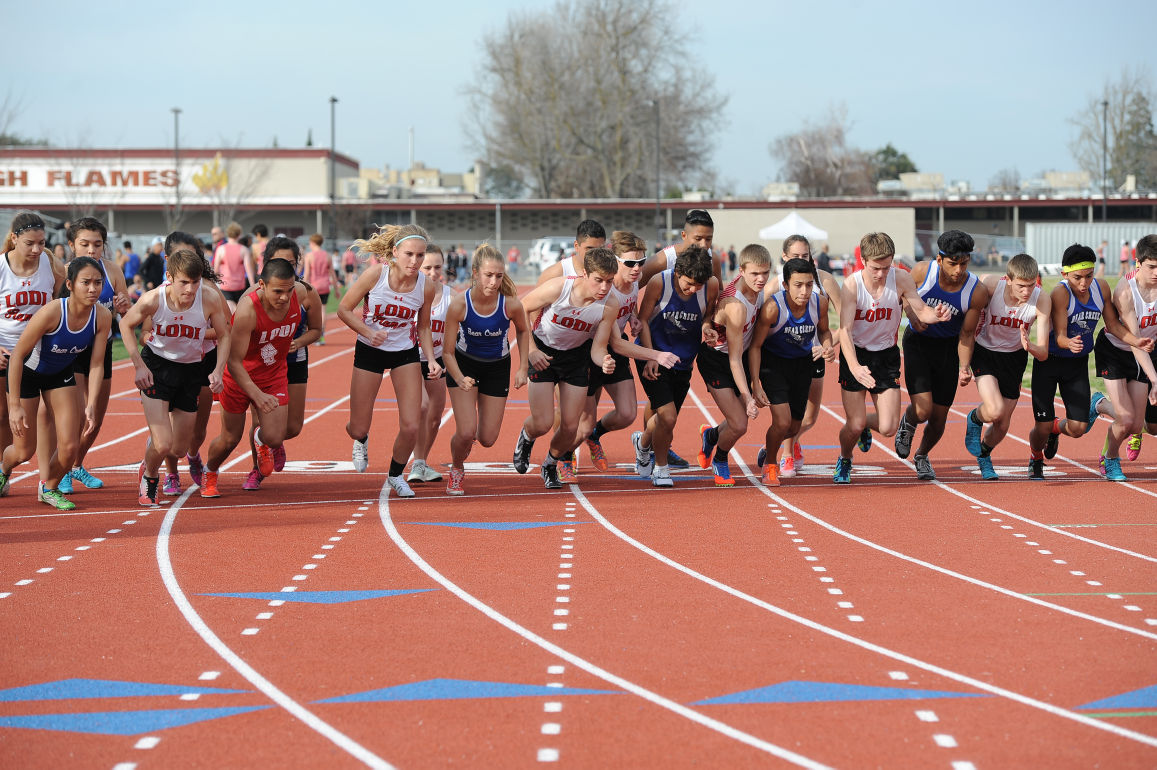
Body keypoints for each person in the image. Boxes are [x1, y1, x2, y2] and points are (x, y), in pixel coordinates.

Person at [515, 247, 678, 489]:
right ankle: (526, 438)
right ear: (584, 275)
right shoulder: (559, 288)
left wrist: (605, 360)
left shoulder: (609, 304)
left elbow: (600, 348)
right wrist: (530, 352)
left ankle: (550, 463)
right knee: (543, 422)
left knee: (572, 427)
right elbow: (521, 309)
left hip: (576, 358)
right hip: (543, 352)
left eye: (609, 281)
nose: (604, 288)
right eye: (598, 281)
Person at [1028, 243, 1152, 480]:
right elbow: (1061, 334)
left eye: (1089, 276)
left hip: (1077, 364)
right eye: (1077, 278)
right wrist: (1068, 343)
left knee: (1078, 429)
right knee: (1040, 427)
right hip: (1050, 362)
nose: (1084, 283)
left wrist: (1136, 342)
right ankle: (1035, 456)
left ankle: (1056, 428)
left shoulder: (1101, 287)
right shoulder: (1061, 293)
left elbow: (1113, 325)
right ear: (1065, 274)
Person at [834, 232, 950, 484]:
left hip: (886, 355)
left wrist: (937, 314)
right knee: (852, 426)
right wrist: (854, 367)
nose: (881, 274)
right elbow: (844, 331)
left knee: (888, 428)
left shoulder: (901, 279)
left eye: (886, 267)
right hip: (857, 353)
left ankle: (865, 425)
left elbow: (921, 312)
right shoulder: (852, 286)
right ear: (864, 260)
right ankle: (845, 457)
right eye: (876, 268)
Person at [118, 250, 232, 505]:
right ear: (169, 277)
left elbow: (225, 335)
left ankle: (153, 449)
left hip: (191, 371)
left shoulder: (209, 298)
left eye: (195, 281)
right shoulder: (152, 299)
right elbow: (125, 325)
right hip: (157, 368)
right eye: (183, 282)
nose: (190, 289)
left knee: (179, 449)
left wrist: (218, 369)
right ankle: (149, 477)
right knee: (163, 444)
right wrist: (138, 365)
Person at [338, 224, 440, 498]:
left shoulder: (425, 286)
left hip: (404, 352)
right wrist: (368, 332)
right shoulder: (376, 275)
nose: (415, 261)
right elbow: (344, 310)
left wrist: (430, 359)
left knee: (412, 422)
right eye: (409, 254)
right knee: (358, 425)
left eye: (420, 256)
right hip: (370, 350)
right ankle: (361, 438)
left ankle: (396, 474)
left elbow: (423, 327)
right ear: (394, 252)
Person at [0, 257, 111, 510]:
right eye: (86, 283)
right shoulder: (52, 311)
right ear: (70, 284)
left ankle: (48, 488)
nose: (93, 289)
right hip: (28, 374)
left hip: (60, 375)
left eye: (98, 283)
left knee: (70, 446)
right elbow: (17, 355)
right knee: (23, 452)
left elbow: (96, 364)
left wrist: (91, 402)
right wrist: (14, 405)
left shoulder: (102, 317)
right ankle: (4, 468)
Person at [199, 258, 309, 498]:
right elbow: (234, 360)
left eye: (289, 290)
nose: (284, 297)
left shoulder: (299, 293)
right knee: (230, 438)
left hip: (273, 374)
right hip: (239, 377)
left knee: (275, 436)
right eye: (278, 291)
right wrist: (256, 394)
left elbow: (315, 311)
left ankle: (261, 441)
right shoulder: (249, 310)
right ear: (262, 285)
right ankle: (210, 471)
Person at [893, 230, 989, 480]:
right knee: (923, 409)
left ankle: (922, 456)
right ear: (940, 259)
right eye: (953, 263)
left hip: (948, 349)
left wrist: (964, 367)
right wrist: (914, 317)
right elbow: (904, 299)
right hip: (918, 343)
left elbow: (967, 334)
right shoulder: (923, 272)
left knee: (938, 418)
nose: (958, 270)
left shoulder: (975, 290)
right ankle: (909, 421)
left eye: (964, 263)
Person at [441, 244, 530, 494]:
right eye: (489, 275)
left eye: (499, 276)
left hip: (497, 367)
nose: (494, 281)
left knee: (487, 439)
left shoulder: (510, 304)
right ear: (476, 273)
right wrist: (459, 378)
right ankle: (457, 467)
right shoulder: (460, 304)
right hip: (464, 364)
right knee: (466, 431)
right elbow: (447, 352)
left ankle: (467, 442)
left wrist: (523, 367)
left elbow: (523, 330)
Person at [238, 236, 324, 492]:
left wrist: (299, 342)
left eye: (291, 262)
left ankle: (275, 441)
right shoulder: (252, 296)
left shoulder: (307, 293)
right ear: (267, 264)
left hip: (293, 360)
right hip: (262, 366)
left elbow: (317, 329)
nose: (287, 267)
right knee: (260, 423)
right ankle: (256, 469)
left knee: (293, 426)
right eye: (280, 262)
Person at [58, 217, 133, 495]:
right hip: (70, 351)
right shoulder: (63, 272)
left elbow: (127, 316)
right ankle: (62, 469)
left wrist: (126, 306)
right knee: (77, 415)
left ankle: (77, 465)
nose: (91, 250)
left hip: (102, 349)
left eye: (97, 244)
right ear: (71, 245)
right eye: (84, 244)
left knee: (96, 418)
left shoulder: (112, 271)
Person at [632, 245, 718, 487]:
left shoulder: (709, 286)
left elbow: (707, 317)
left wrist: (706, 328)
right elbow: (644, 320)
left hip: (683, 361)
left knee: (663, 417)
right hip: (654, 354)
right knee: (668, 417)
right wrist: (651, 356)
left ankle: (642, 443)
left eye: (698, 286)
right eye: (688, 284)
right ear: (678, 272)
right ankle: (661, 468)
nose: (693, 290)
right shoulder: (660, 283)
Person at [963, 254, 1052, 480]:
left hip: (1014, 358)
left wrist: (1029, 345)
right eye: (1021, 286)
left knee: (1002, 425)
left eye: (1031, 285)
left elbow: (1043, 354)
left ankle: (984, 455)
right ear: (1008, 279)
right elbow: (969, 304)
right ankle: (974, 418)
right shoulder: (992, 284)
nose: (1027, 291)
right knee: (994, 410)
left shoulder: (1041, 300)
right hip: (985, 352)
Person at [749, 257, 836, 486]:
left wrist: (827, 347)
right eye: (798, 285)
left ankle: (771, 445)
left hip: (802, 365)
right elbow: (756, 346)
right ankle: (770, 464)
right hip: (773, 364)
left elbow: (825, 331)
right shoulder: (773, 307)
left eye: (809, 284)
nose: (804, 291)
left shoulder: (820, 304)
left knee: (794, 426)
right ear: (786, 285)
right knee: (782, 421)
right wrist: (755, 382)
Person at [534, 219, 607, 481]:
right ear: (576, 246)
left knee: (585, 420)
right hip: (554, 349)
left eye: (600, 249)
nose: (595, 255)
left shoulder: (606, 276)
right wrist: (531, 349)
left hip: (588, 350)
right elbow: (529, 309)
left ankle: (580, 441)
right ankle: (562, 459)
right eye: (589, 249)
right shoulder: (556, 274)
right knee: (562, 413)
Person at [157, 232, 227, 494]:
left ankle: (194, 454)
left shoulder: (207, 288)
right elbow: (141, 328)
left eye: (194, 256)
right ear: (168, 261)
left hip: (203, 359)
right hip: (171, 362)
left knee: (197, 430)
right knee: (172, 426)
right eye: (180, 257)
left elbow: (225, 327)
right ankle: (171, 473)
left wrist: (195, 332)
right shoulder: (160, 292)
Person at [767, 235, 843, 478]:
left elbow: (844, 322)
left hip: (813, 355)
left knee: (808, 418)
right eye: (796, 256)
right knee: (786, 414)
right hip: (783, 357)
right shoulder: (775, 285)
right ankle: (786, 455)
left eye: (806, 255)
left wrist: (828, 346)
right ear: (785, 258)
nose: (802, 260)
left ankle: (787, 440)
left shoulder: (825, 280)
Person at [695, 244, 770, 486]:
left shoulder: (757, 289)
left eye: (765, 273)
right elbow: (734, 359)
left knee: (738, 422)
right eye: (755, 274)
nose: (761, 279)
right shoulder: (736, 306)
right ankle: (720, 458)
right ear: (741, 271)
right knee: (739, 423)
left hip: (741, 356)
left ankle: (711, 434)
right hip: (718, 360)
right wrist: (749, 395)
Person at [580, 231, 648, 472]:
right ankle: (563, 457)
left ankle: (595, 436)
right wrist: (656, 355)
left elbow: (630, 307)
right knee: (579, 421)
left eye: (641, 262)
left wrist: (634, 319)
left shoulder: (633, 282)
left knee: (628, 413)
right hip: (588, 351)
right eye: (630, 263)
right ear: (616, 261)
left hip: (615, 349)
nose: (637, 268)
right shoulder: (605, 290)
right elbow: (617, 342)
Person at [1092, 234, 1157, 480]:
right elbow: (1135, 339)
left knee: (1137, 424)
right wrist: (1155, 379)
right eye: (1152, 267)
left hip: (1144, 353)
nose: (1156, 272)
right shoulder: (1125, 291)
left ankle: (1098, 404)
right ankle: (1109, 458)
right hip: (1116, 351)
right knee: (1126, 419)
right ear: (1137, 263)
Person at [1, 212, 66, 458]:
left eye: (42, 242)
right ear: (14, 239)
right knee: (4, 415)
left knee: (48, 415)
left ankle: (48, 479)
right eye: (30, 243)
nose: (37, 249)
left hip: (42, 351)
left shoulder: (50, 264)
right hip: (6, 349)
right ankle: (3, 472)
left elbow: (67, 297)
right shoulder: (1, 268)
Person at [408, 244, 454, 484]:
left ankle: (421, 463)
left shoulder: (451, 297)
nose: (433, 272)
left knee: (435, 417)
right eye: (427, 267)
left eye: (437, 267)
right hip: (411, 359)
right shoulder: (408, 294)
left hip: (437, 362)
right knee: (421, 407)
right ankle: (415, 462)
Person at [213, 222, 257, 310]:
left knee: (231, 311)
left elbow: (216, 270)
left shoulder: (221, 249)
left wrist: (213, 284)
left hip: (225, 285)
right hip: (240, 286)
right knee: (239, 310)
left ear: (227, 233)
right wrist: (253, 287)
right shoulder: (244, 250)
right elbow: (249, 271)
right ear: (239, 234)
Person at [303, 233, 337, 343]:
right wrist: (336, 289)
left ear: (312, 243)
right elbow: (332, 274)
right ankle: (321, 335)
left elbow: (307, 274)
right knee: (323, 310)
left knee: (310, 312)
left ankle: (312, 334)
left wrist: (302, 287)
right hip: (325, 286)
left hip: (313, 287)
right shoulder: (327, 255)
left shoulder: (309, 256)